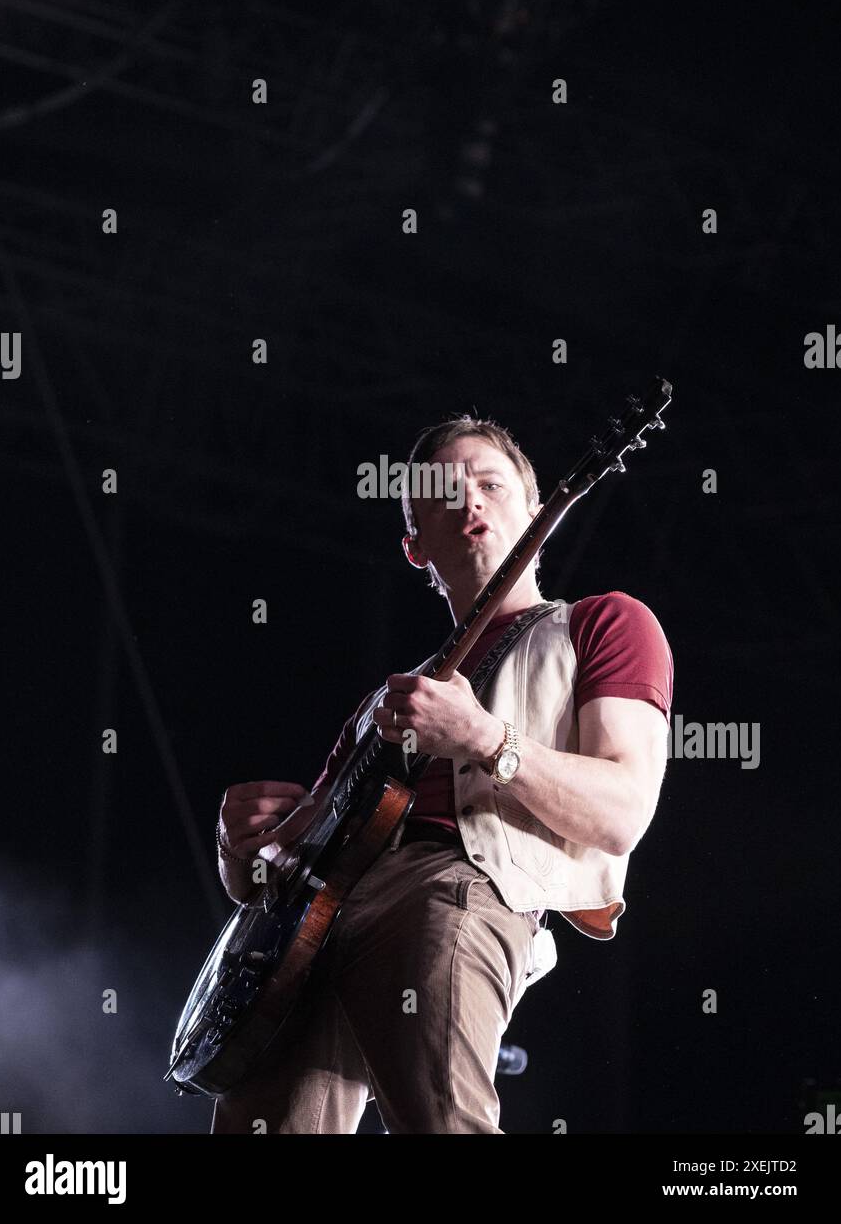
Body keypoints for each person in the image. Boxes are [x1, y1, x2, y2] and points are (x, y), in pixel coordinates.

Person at [212, 414, 673, 1133]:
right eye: (444, 494)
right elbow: (281, 872)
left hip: (457, 886)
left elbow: (622, 813)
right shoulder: (384, 704)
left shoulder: (602, 623)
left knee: (443, 1121)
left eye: (491, 484)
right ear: (413, 545)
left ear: (537, 516)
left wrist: (486, 738)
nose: (472, 502)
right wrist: (240, 853)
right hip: (317, 927)